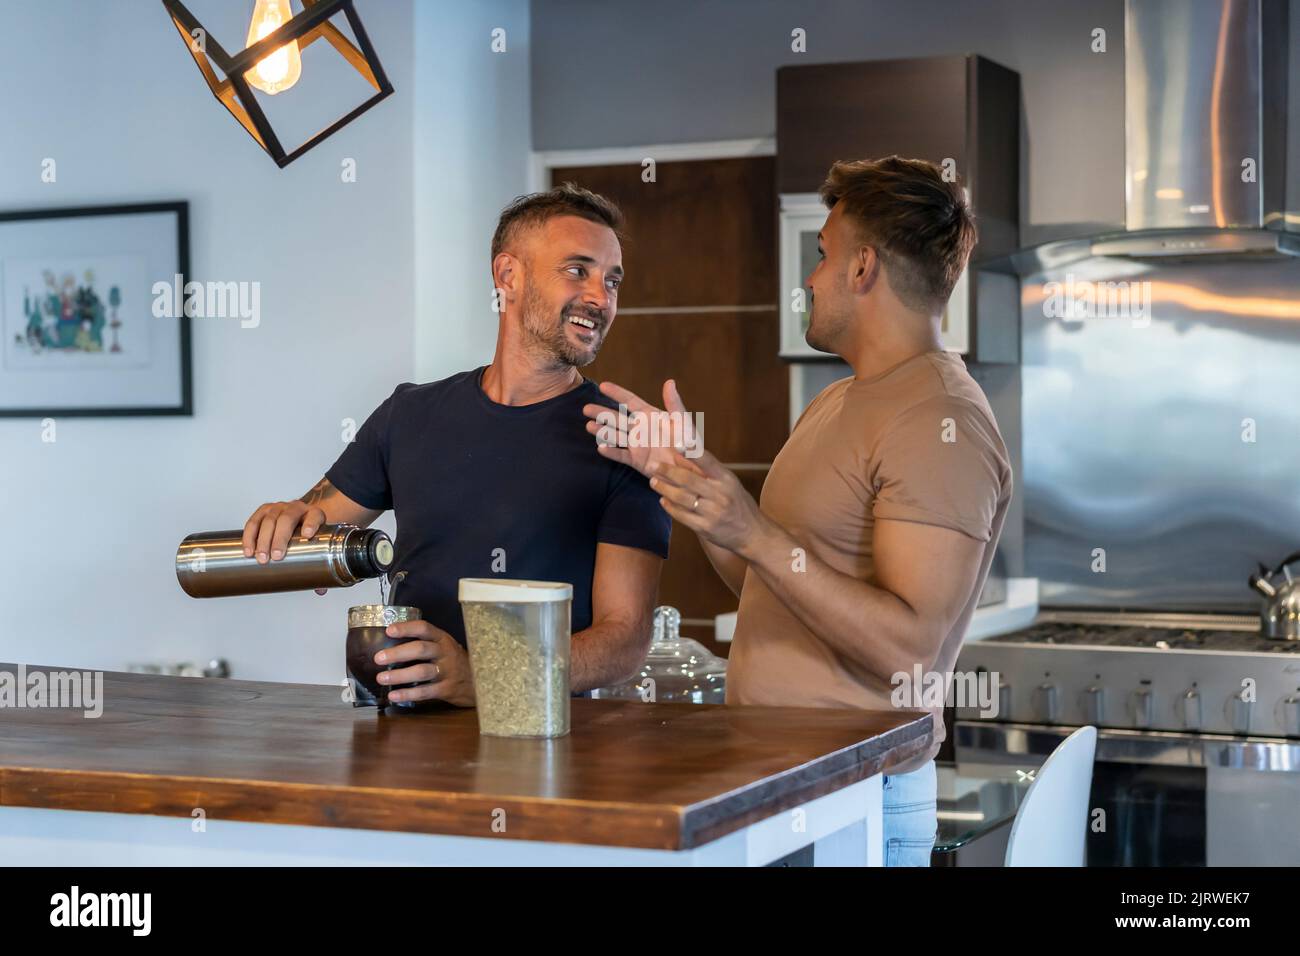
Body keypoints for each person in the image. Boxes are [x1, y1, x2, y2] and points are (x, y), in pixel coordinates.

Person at [584, 156, 1012, 866]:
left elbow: (909, 651)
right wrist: (689, 479)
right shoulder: (839, 400)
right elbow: (769, 585)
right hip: (785, 783)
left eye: (822, 254)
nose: (810, 280)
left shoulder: (942, 420)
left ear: (863, 267)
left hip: (857, 796)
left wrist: (752, 528)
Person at [243, 184, 670, 707]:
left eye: (612, 281)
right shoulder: (410, 413)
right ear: (508, 276)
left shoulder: (625, 440)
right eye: (577, 270)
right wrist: (288, 519)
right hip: (401, 731)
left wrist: (484, 677)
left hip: (544, 739)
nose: (601, 298)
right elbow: (314, 528)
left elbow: (623, 640)